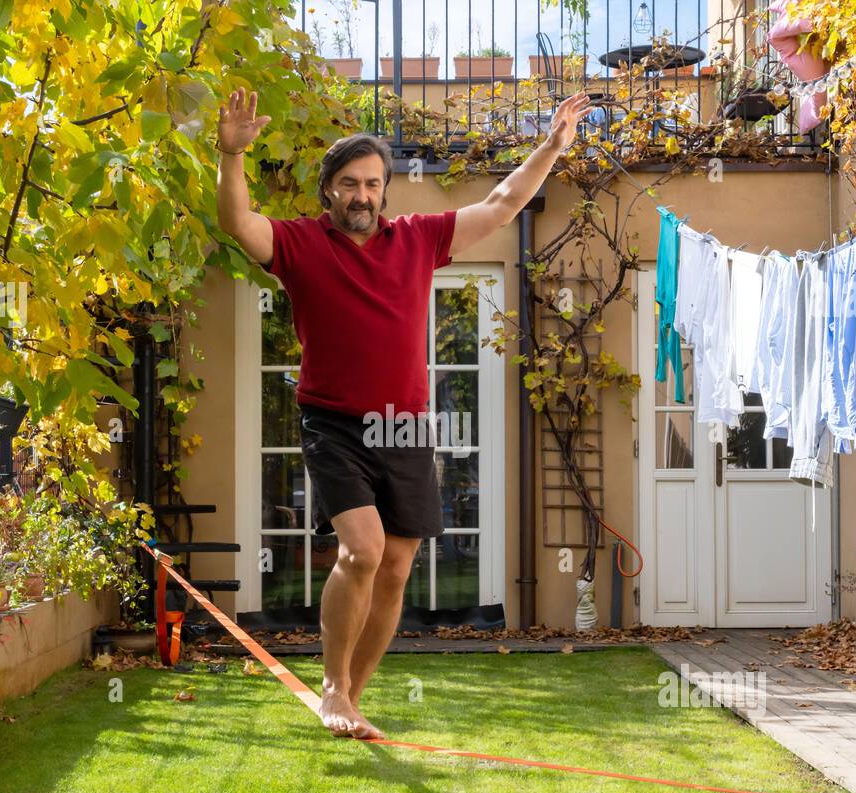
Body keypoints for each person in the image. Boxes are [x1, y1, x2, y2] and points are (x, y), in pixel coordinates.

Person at [216, 86, 594, 740]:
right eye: (349, 184)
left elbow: (503, 204)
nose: (362, 195)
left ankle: (351, 702)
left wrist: (552, 147)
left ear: (384, 189)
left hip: (408, 428)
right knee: (361, 551)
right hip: (333, 423)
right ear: (328, 190)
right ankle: (332, 686)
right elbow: (238, 223)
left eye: (373, 183)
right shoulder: (299, 244)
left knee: (395, 566)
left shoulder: (417, 240)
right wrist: (230, 157)